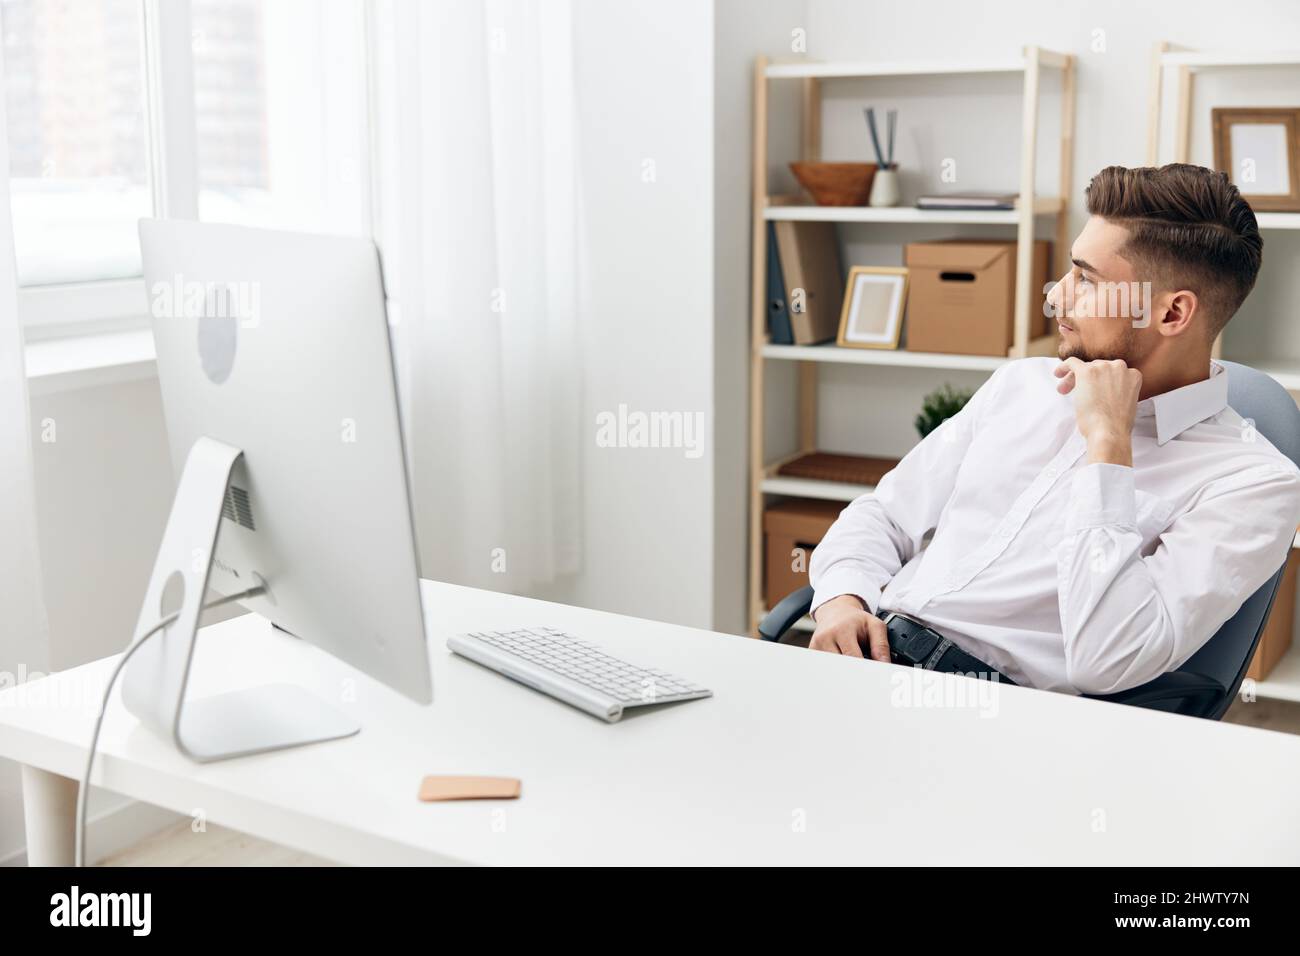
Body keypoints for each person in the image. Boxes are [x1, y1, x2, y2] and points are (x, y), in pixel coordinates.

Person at [808, 163, 1300, 695]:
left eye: (1086, 279)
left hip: (992, 714)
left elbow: (1109, 659)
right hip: (868, 658)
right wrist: (841, 599)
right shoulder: (1024, 385)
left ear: (1173, 312)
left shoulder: (1253, 483)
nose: (1058, 296)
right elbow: (885, 516)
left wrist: (1108, 449)